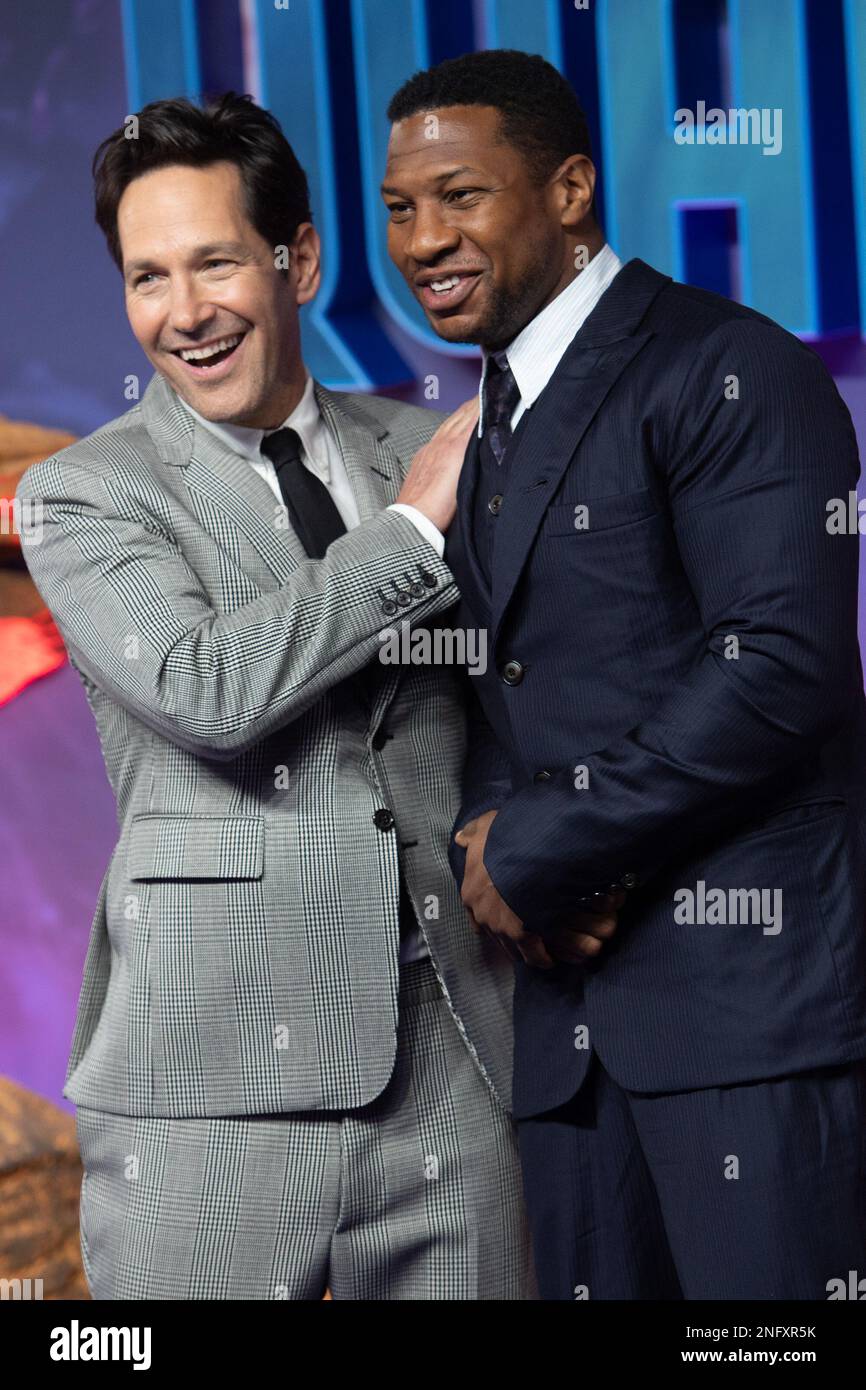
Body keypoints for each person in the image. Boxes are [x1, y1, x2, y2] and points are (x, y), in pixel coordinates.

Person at [16, 91, 542, 1300]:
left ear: (297, 259)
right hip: (210, 1104)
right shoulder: (84, 495)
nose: (184, 313)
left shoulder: (424, 443)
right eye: (148, 277)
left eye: (213, 263)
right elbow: (207, 688)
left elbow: (519, 693)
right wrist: (412, 527)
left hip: (458, 1086)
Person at [383, 48, 866, 1300]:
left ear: (570, 189)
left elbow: (779, 665)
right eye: (399, 207)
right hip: (568, 1035)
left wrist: (548, 849)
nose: (423, 236)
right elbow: (507, 685)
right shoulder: (484, 419)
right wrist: (496, 839)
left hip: (742, 1019)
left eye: (460, 195)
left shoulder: (731, 367)